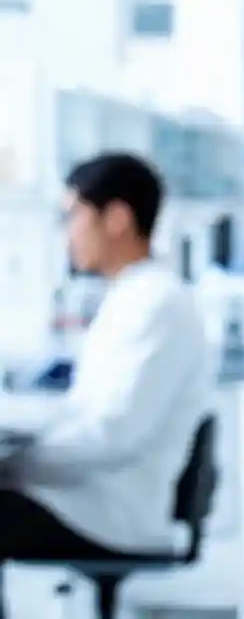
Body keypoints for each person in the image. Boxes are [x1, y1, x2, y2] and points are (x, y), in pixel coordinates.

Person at [0, 154, 213, 616]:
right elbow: (83, 412)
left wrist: (16, 465)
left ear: (117, 218)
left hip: (110, 509)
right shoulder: (132, 295)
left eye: (73, 215)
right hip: (90, 492)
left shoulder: (158, 303)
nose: (66, 233)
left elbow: (111, 436)